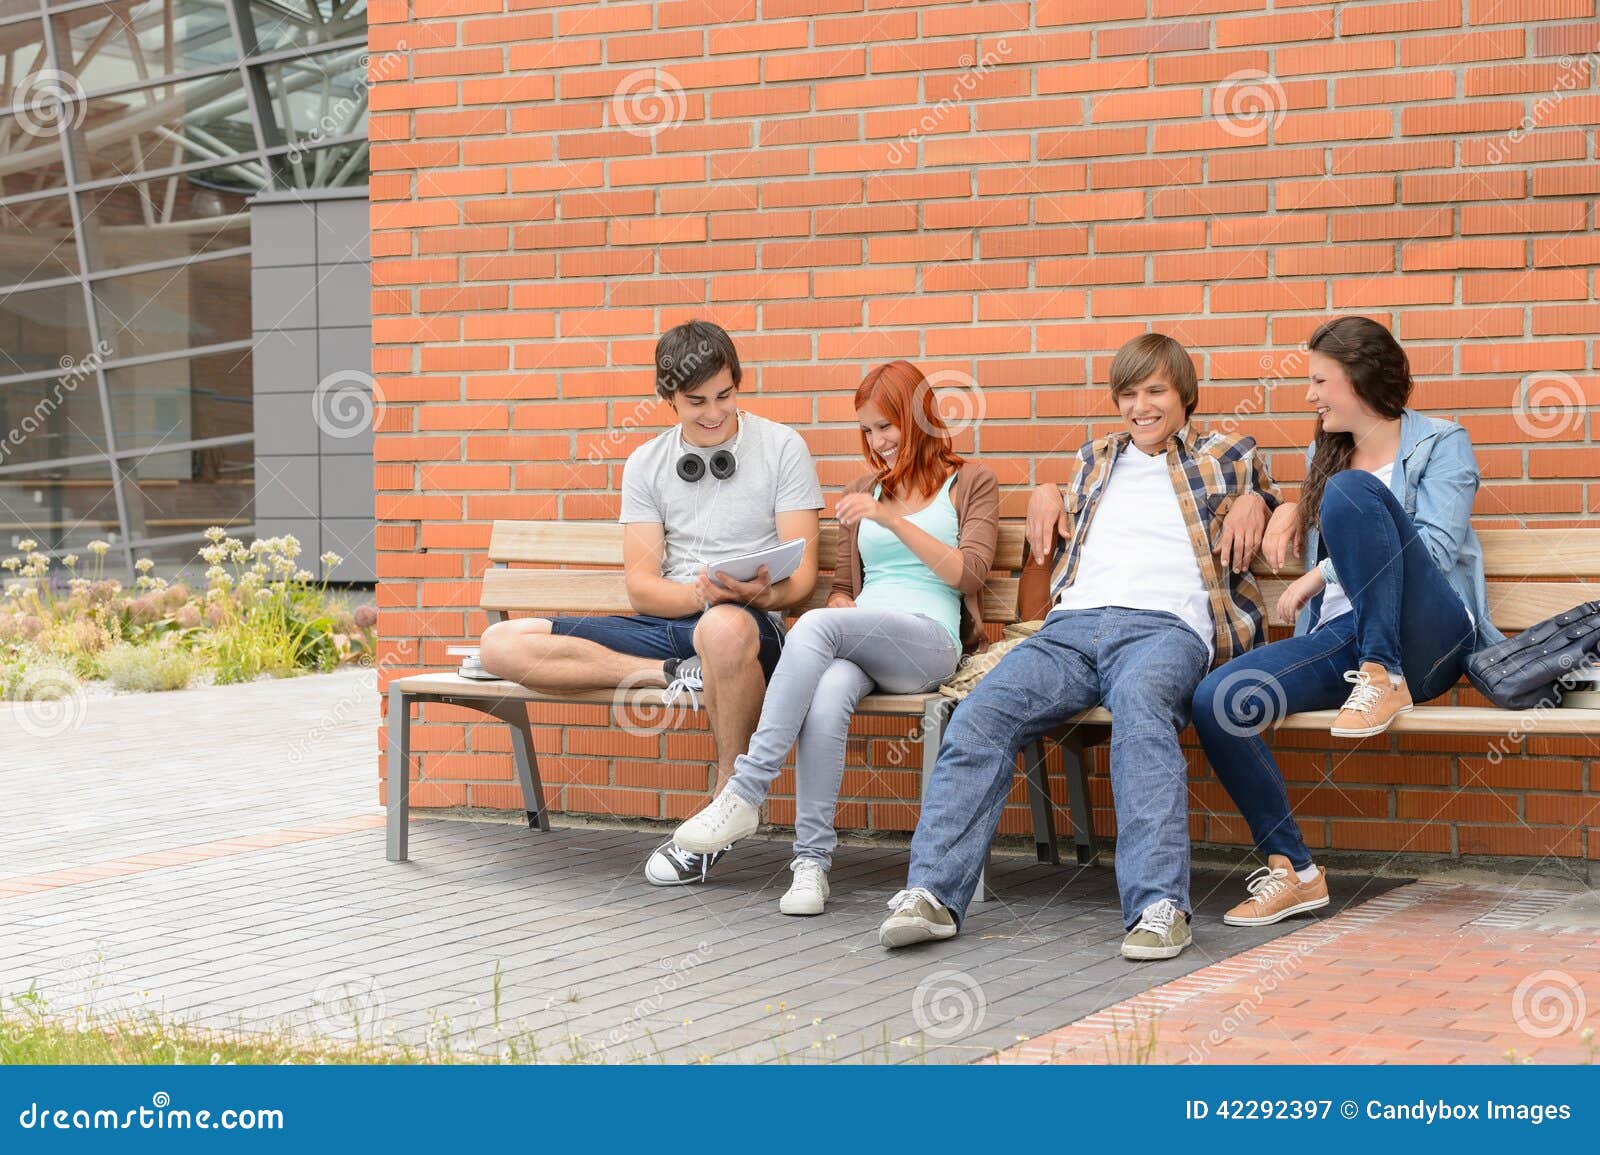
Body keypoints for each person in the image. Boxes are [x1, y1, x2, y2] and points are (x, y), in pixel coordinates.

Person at [878, 332, 1280, 961]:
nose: (1140, 406)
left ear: (1185, 396)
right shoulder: (1096, 457)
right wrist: (1045, 492)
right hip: (1069, 630)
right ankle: (931, 894)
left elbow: (1289, 499)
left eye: (1155, 392)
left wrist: (1260, 501)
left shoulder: (1226, 451)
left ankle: (1157, 907)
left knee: (1142, 717)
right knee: (982, 713)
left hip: (1165, 629)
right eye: (1128, 394)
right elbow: (1067, 508)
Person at [477, 319, 823, 886]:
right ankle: (674, 674)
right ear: (668, 399)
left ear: (738, 385)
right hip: (667, 626)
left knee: (722, 631)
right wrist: (696, 592)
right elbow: (642, 586)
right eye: (696, 402)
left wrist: (760, 592)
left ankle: (726, 802)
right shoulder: (645, 463)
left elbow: (803, 577)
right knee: (500, 644)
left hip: (749, 623)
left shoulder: (782, 446)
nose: (714, 414)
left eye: (725, 397)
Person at [1191, 315, 1502, 927]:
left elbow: (1435, 551)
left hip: (1427, 637)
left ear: (1358, 379)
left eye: (1319, 382)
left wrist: (1317, 575)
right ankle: (1296, 873)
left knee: (1351, 491)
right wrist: (1277, 504)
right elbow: (1302, 507)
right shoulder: (1323, 453)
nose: (1309, 396)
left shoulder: (1441, 442)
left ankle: (1382, 672)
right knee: (1217, 699)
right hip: (1342, 640)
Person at [672, 361, 999, 915]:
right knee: (826, 694)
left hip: (929, 643)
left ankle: (747, 789)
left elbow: (969, 573)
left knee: (819, 627)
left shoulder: (970, 482)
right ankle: (811, 865)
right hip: (865, 639)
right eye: (868, 430)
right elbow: (846, 589)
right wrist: (844, 602)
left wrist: (893, 520)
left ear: (918, 418)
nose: (878, 442)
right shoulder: (861, 490)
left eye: (887, 426)